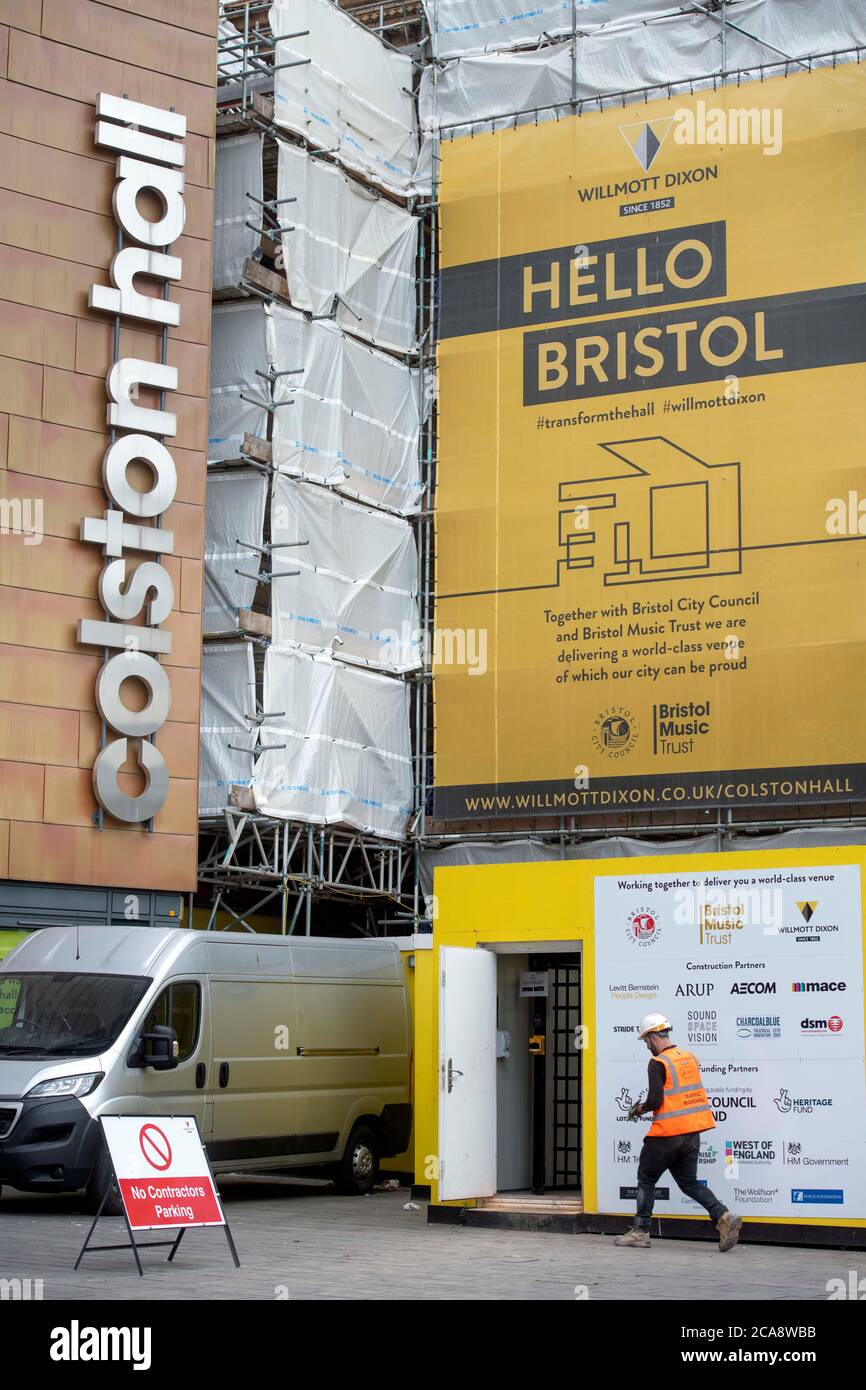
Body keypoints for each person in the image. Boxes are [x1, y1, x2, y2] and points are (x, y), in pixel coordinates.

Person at [614, 1012, 743, 1252]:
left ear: (653, 1037)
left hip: (666, 1134)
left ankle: (640, 1231)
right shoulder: (689, 1057)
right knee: (689, 1183)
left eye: (645, 1040)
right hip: (691, 1134)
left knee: (646, 1178)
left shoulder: (658, 1062)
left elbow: (654, 1099)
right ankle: (723, 1216)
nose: (646, 1046)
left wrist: (639, 1110)